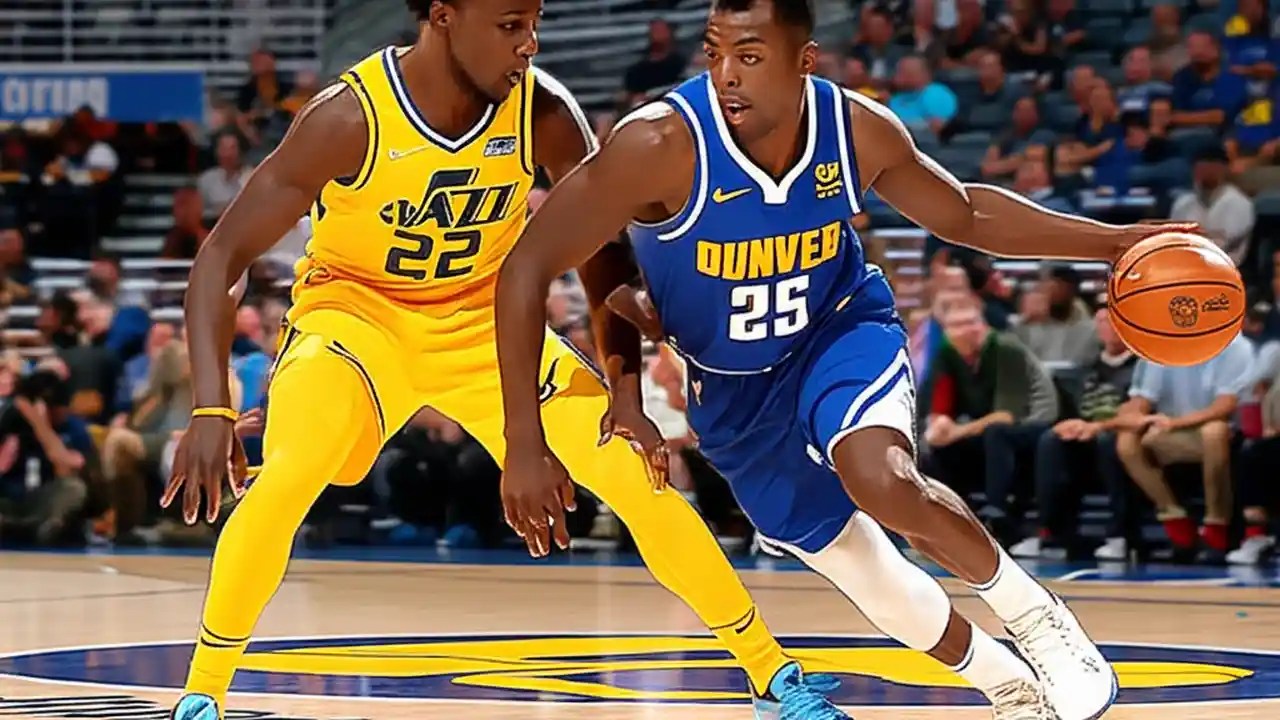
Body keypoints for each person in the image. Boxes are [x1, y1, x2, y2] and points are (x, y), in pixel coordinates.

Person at [491, 0, 1199, 717]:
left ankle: (1039, 619)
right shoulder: (657, 143)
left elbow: (964, 214)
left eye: (750, 56)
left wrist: (1114, 243)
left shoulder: (855, 128)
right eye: (714, 52)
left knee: (881, 477)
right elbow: (529, 268)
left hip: (836, 329)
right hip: (732, 390)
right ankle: (1006, 685)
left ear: (804, 61)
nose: (727, 74)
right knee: (868, 574)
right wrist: (562, 421)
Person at [159, 1, 844, 719]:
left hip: (486, 327)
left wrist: (625, 393)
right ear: (443, 17)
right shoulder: (349, 118)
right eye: (511, 26)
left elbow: (604, 258)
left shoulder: (543, 110)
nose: (530, 44)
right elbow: (220, 256)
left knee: (636, 474)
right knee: (290, 475)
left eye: (534, 23)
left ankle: (771, 675)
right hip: (357, 322)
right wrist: (210, 405)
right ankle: (203, 694)